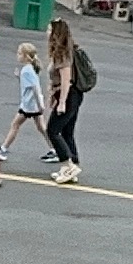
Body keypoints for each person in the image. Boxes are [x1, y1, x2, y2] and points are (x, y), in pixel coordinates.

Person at [44, 16, 87, 184]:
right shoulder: (65, 51)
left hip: (68, 95)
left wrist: (61, 102)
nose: (47, 32)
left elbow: (66, 79)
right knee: (67, 131)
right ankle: (72, 165)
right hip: (72, 95)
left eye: (49, 29)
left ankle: (68, 164)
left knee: (52, 130)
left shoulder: (62, 54)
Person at [0, 42, 48, 155]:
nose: (17, 55)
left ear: (26, 56)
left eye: (19, 53)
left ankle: (4, 148)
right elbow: (29, 86)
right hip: (33, 104)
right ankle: (54, 148)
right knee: (41, 128)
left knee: (15, 125)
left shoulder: (27, 70)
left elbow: (34, 88)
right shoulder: (30, 69)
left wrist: (40, 105)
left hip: (29, 105)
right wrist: (19, 77)